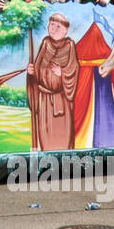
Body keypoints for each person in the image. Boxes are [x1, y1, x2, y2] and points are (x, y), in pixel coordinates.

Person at [26, 11, 79, 151]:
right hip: (44, 100)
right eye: (52, 25)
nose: (53, 29)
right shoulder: (45, 43)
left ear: (65, 30)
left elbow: (73, 69)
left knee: (62, 134)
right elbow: (39, 67)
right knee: (45, 133)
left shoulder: (69, 45)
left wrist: (62, 73)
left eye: (58, 27)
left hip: (60, 99)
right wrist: (32, 72)